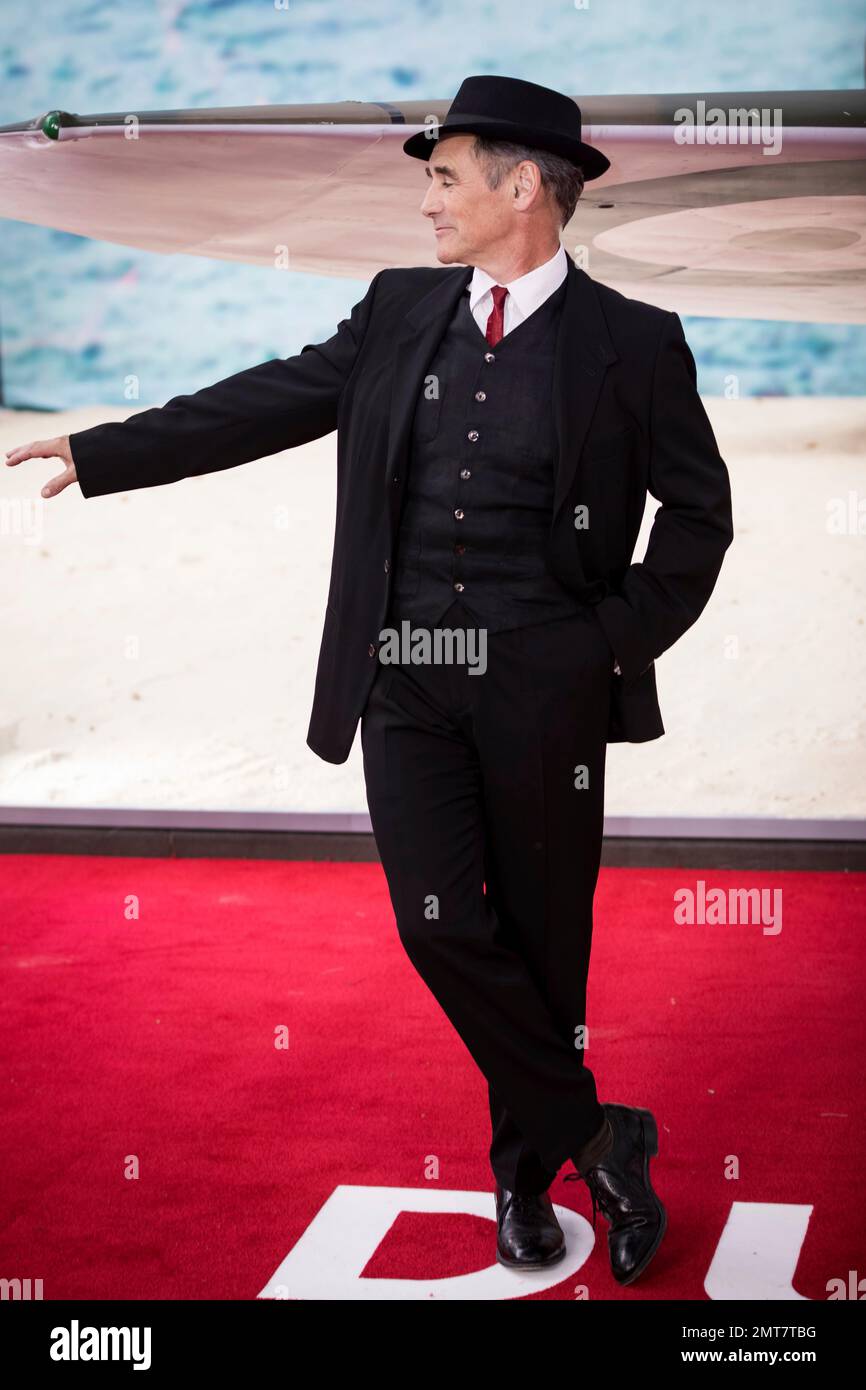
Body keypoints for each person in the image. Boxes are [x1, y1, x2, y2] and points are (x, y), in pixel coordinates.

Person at [6, 74, 733, 1286]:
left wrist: (606, 642)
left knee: (546, 952)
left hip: (544, 687)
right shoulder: (400, 311)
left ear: (521, 186)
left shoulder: (632, 343)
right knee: (438, 922)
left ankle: (520, 1179)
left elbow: (697, 518)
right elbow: (271, 400)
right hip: (402, 674)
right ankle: (602, 1137)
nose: (426, 203)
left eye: (443, 177)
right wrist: (105, 448)